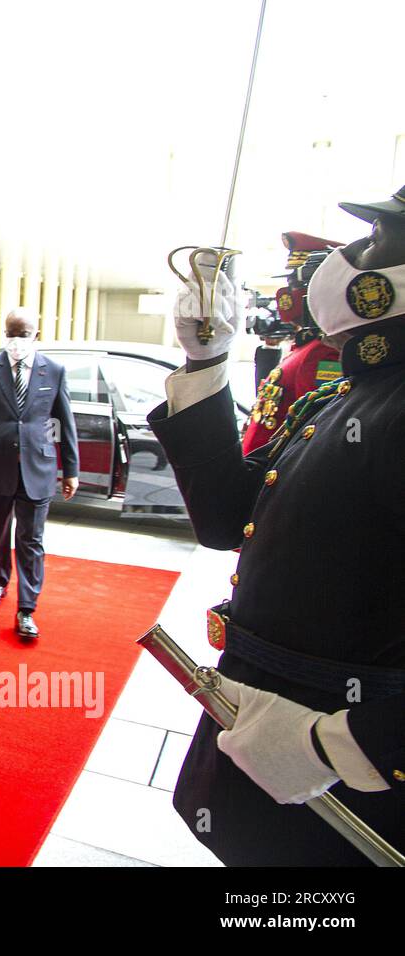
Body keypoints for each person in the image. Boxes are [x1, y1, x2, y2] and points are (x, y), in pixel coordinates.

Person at [147, 185, 405, 866]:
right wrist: (205, 362)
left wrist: (345, 744)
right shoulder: (346, 394)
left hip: (341, 775)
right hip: (265, 722)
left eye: (380, 238)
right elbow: (227, 517)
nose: (358, 253)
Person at [0, 307, 79, 640]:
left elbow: (65, 421)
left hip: (39, 465)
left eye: (23, 334)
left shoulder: (53, 371)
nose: (17, 340)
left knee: (31, 539)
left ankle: (27, 609)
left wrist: (71, 470)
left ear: (36, 334)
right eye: (11, 333)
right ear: (4, 333)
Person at [241, 231, 343, 455]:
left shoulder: (325, 352)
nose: (287, 295)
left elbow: (313, 430)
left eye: (296, 285)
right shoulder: (307, 347)